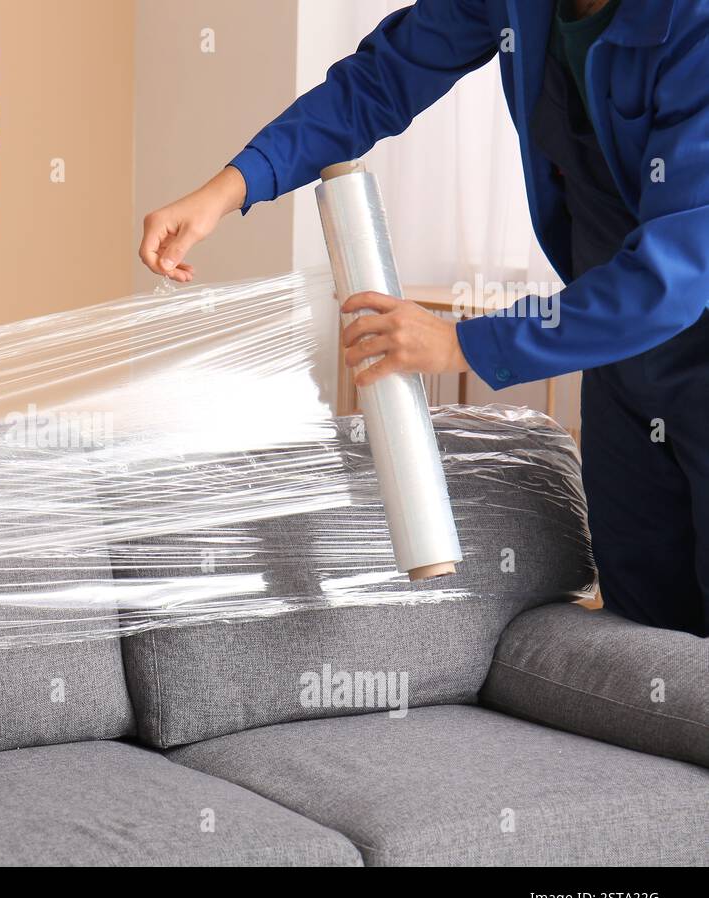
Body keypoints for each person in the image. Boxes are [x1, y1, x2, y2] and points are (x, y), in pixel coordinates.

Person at [140, 0, 709, 637]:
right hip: (618, 359)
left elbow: (673, 276)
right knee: (640, 652)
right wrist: (229, 188)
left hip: (670, 328)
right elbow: (379, 81)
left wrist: (462, 343)